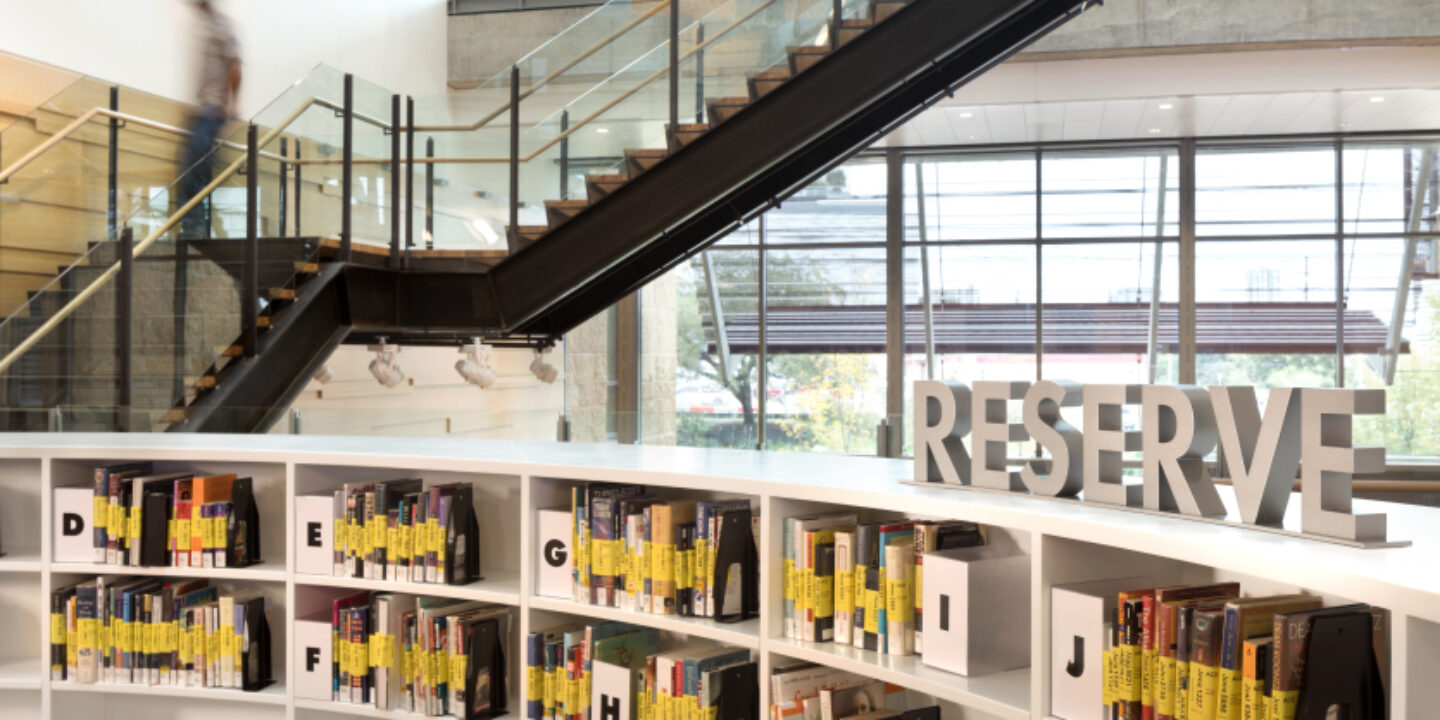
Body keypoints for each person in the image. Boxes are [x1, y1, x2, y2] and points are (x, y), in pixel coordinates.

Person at [177, 0, 241, 239]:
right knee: (192, 173)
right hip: (201, 110)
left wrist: (229, 106)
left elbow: (235, 66)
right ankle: (194, 228)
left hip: (212, 111)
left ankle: (195, 231)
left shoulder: (221, 26)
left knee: (195, 172)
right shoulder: (203, 25)